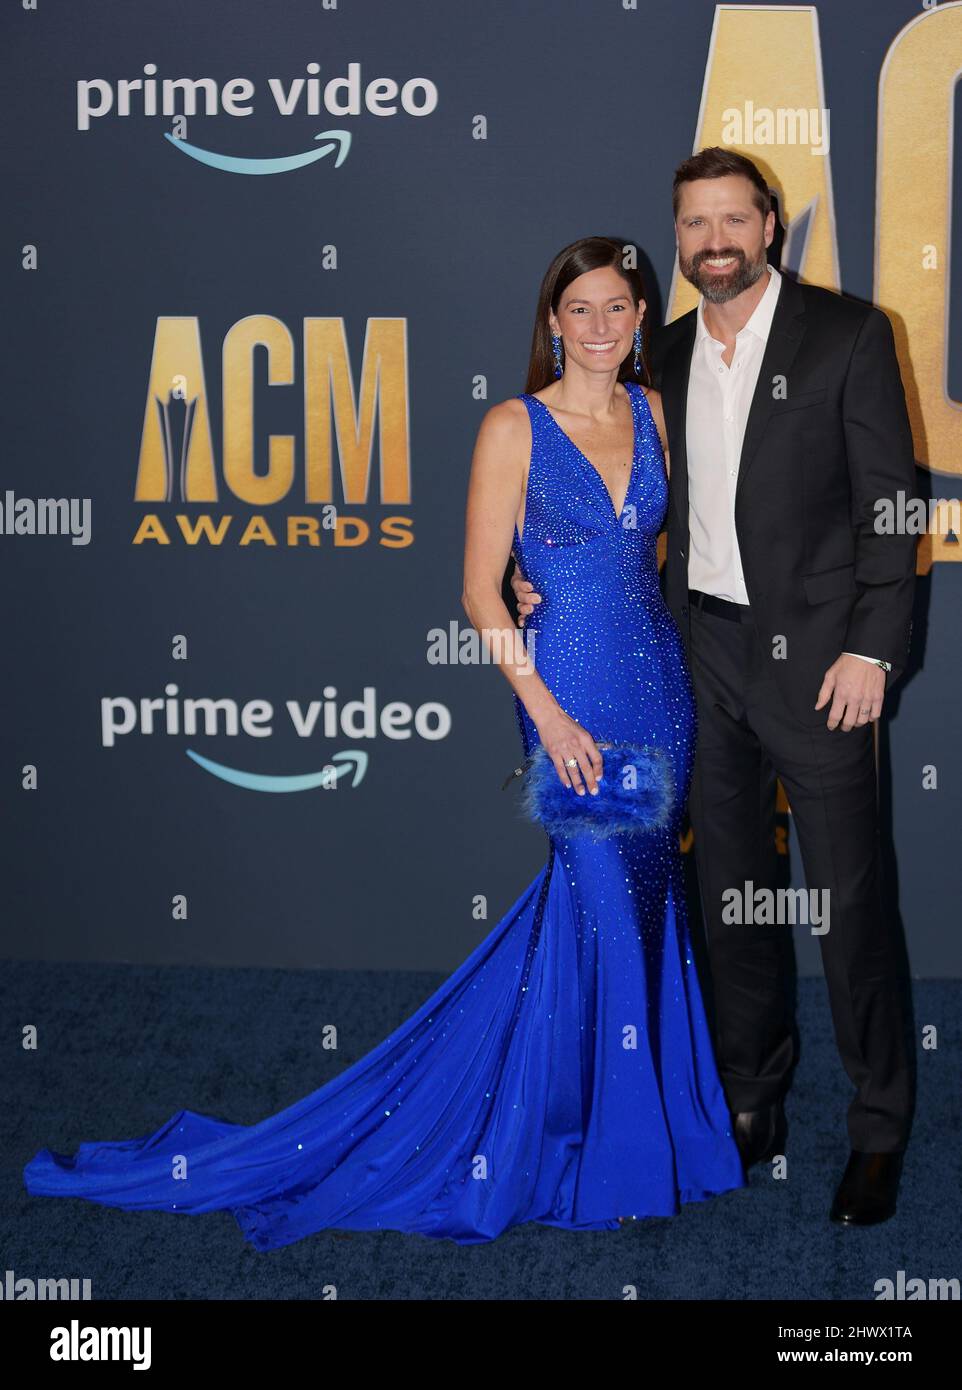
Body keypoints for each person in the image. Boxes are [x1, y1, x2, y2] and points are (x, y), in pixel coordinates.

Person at [23, 237, 746, 1249]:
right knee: (597, 900)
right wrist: (542, 706)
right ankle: (609, 1153)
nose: (597, 326)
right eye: (577, 309)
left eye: (616, 307)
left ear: (637, 317)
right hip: (564, 687)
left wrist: (575, 576)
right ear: (551, 321)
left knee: (640, 901)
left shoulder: (655, 415)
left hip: (652, 684)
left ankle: (630, 1123)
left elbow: (654, 548)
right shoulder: (512, 426)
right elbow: (471, 587)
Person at [512, 149, 918, 1226]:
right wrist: (528, 564)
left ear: (769, 227)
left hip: (824, 669)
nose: (713, 240)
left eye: (731, 218)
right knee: (728, 895)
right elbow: (625, 511)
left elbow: (893, 506)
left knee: (846, 905)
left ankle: (877, 1125)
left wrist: (872, 651)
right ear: (678, 243)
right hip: (700, 663)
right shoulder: (665, 360)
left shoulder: (847, 334)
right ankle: (750, 1095)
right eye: (693, 224)